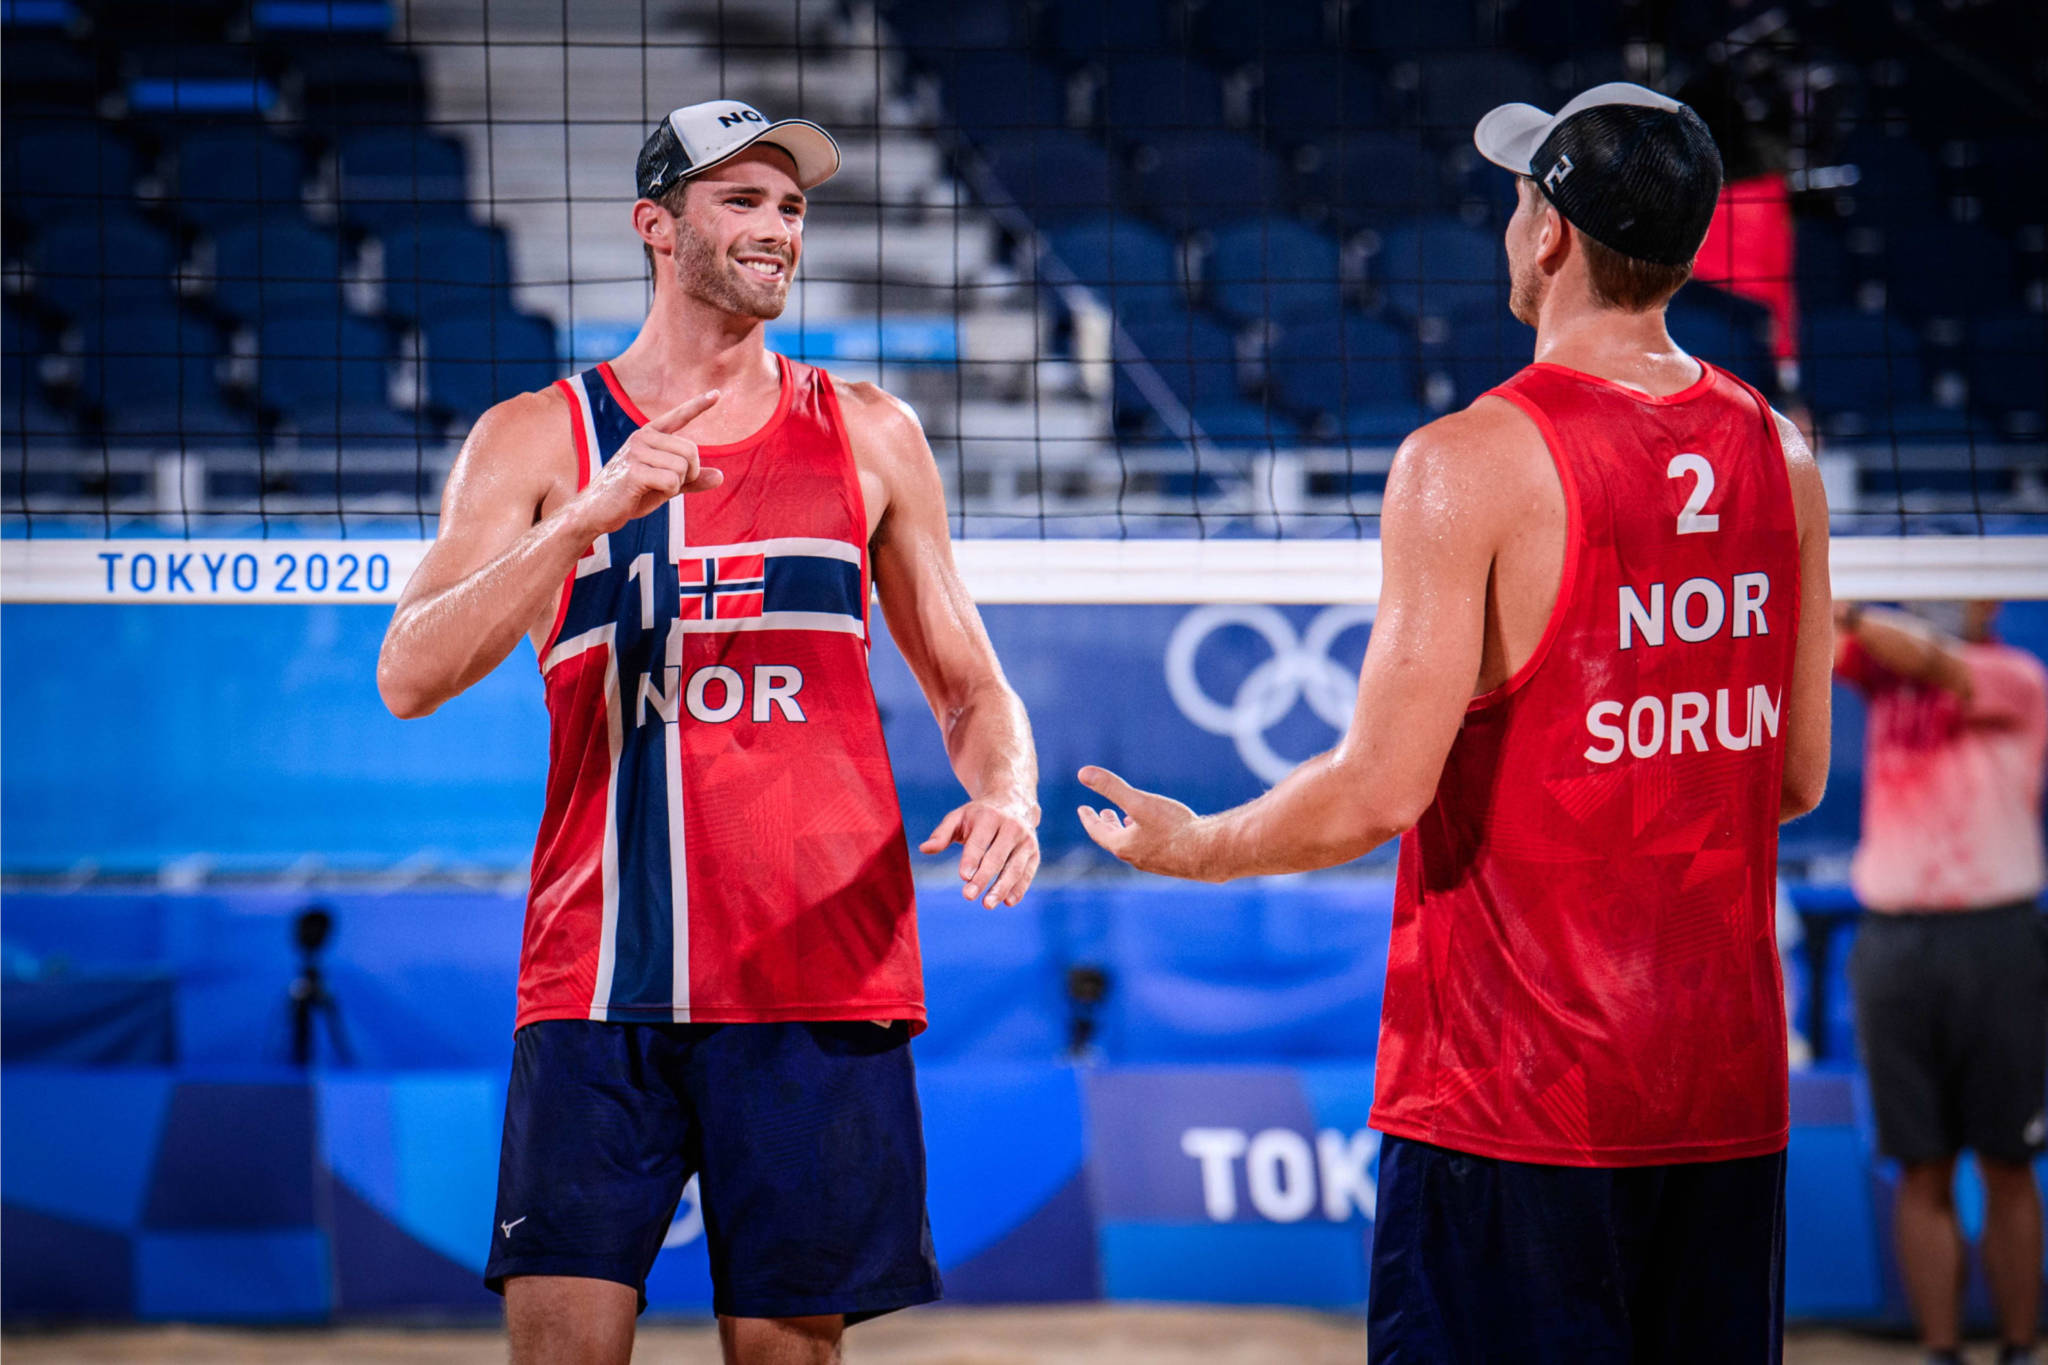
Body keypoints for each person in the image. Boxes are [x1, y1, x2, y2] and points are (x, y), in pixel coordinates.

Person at [1078, 82, 1833, 1363]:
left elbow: (1378, 791)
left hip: (1514, 1101)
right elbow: (1795, 776)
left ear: (1547, 235)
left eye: (1518, 196)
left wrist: (1195, 846)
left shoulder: (1469, 460)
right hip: (1718, 1092)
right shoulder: (1780, 453)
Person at [376, 100, 1041, 1365]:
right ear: (655, 224)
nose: (777, 227)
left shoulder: (869, 431)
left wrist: (1007, 790)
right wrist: (586, 518)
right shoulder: (538, 436)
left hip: (815, 972)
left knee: (788, 1351)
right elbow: (408, 673)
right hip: (600, 975)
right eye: (740, 200)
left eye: (790, 206)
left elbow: (972, 690)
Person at [1837, 600, 2047, 1365]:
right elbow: (1818, 643)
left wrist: (1853, 606)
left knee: (2008, 1160)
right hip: (1894, 938)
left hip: (1996, 937)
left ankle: (2018, 1348)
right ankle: (1941, 1351)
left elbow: (1933, 662)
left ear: (1990, 598)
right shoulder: (1880, 672)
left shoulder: (2016, 676)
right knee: (1919, 1163)